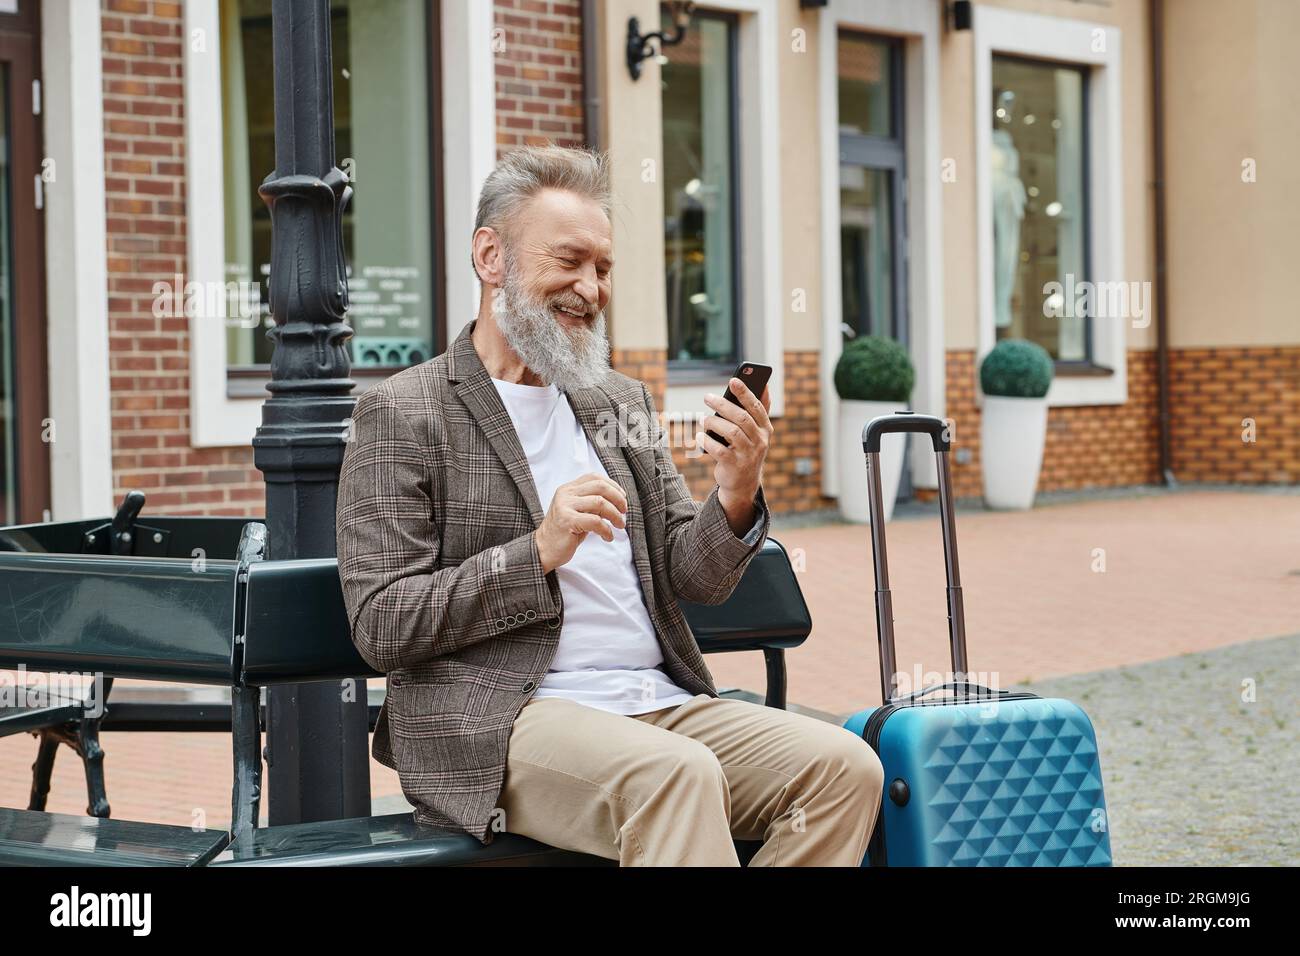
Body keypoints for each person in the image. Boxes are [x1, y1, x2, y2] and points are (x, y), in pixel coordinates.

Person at [336, 143, 883, 866]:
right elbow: (382, 624)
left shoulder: (617, 402)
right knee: (676, 777)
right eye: (569, 261)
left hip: (655, 702)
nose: (590, 288)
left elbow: (693, 579)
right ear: (490, 257)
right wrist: (537, 551)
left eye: (602, 269)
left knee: (844, 769)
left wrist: (736, 489)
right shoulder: (404, 413)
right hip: (502, 718)